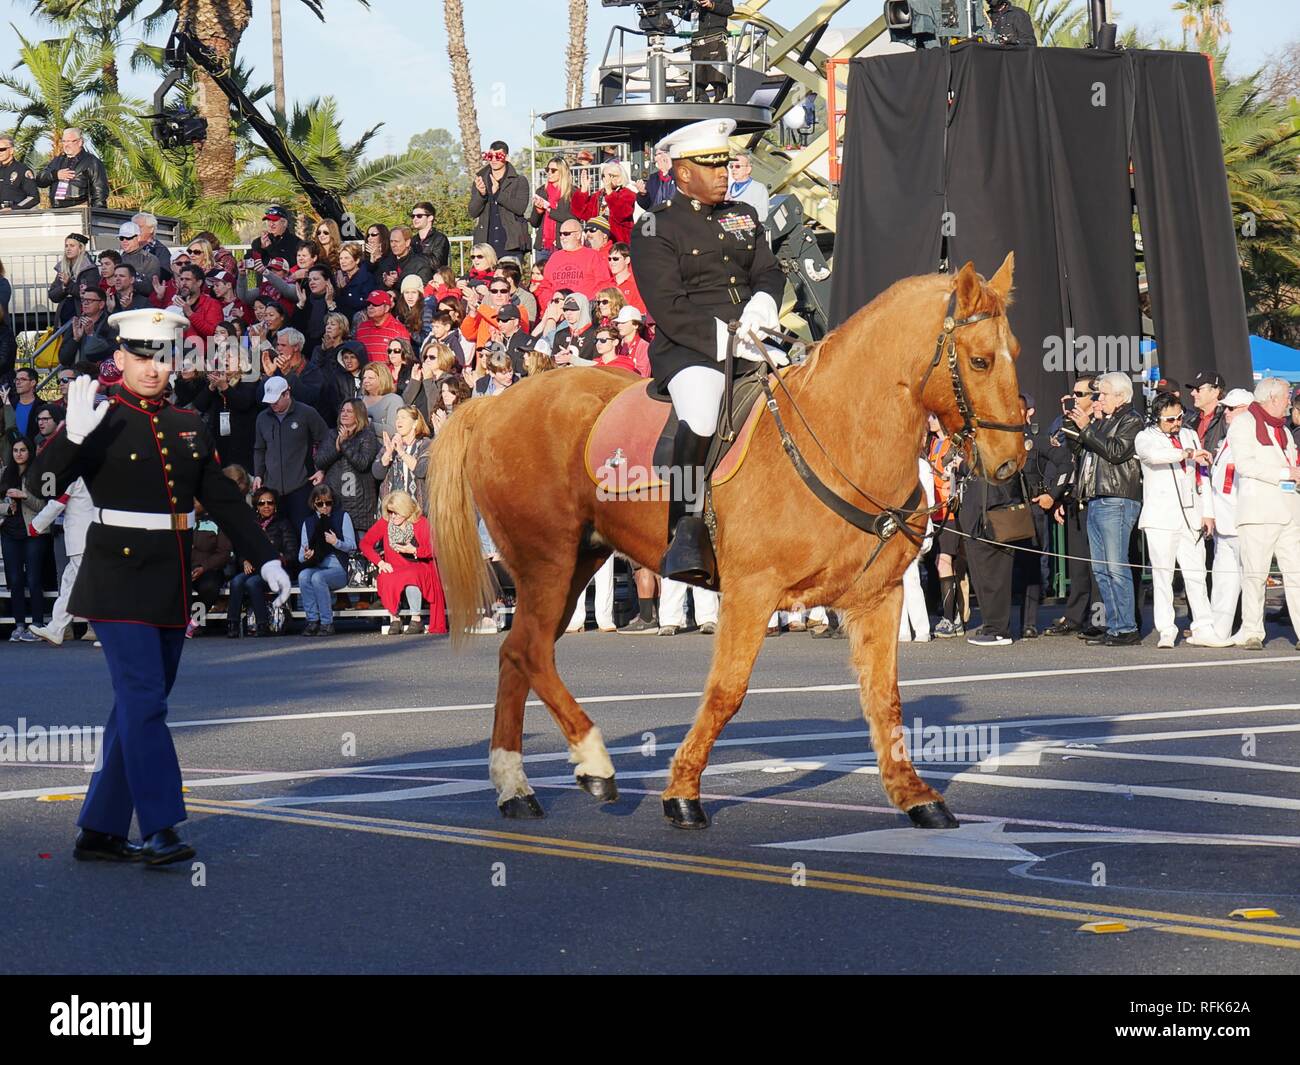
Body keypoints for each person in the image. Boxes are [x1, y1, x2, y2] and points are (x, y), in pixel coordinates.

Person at [27, 308, 290, 863]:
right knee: (145, 700)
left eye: (161, 356)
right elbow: (40, 484)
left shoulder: (188, 425)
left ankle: (99, 828)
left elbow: (221, 499)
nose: (151, 367)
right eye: (140, 355)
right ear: (118, 358)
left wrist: (265, 558)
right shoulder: (100, 417)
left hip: (169, 576)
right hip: (115, 576)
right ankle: (162, 825)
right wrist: (69, 440)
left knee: (137, 705)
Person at [631, 117, 785, 586]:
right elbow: (669, 307)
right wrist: (727, 338)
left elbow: (769, 272)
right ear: (681, 172)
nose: (724, 172)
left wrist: (762, 305)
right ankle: (685, 527)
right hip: (692, 349)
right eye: (711, 164)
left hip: (755, 338)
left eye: (724, 163)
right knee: (700, 415)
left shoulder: (744, 215)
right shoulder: (654, 226)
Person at [1062, 370, 1144, 645]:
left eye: (1104, 394)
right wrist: (1076, 428)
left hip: (1117, 498)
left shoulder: (1131, 420)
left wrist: (1087, 428)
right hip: (1096, 499)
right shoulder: (1103, 421)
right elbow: (1086, 453)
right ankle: (1114, 624)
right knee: (1100, 569)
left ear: (1121, 396)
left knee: (1115, 565)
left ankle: (1127, 627)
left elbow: (1116, 451)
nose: (1099, 399)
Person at [1135, 392, 1216, 648]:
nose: (1176, 423)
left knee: (1197, 575)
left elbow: (1202, 476)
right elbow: (1154, 457)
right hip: (1160, 518)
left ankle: (1203, 626)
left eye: (1179, 417)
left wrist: (1208, 512)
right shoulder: (1145, 437)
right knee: (1163, 576)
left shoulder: (1189, 434)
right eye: (1170, 419)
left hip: (1190, 516)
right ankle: (1166, 629)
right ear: (1156, 417)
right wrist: (1187, 453)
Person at [1228, 377, 1300, 649]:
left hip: (1290, 511)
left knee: (1296, 575)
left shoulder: (1284, 431)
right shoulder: (1243, 424)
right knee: (1255, 576)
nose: (1288, 402)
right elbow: (1246, 466)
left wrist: (1295, 476)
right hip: (1258, 512)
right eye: (1285, 396)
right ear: (1271, 398)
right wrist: (1286, 473)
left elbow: (1290, 465)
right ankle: (1252, 632)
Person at [1041, 378, 1102, 637]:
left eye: (1080, 393)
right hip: (1073, 498)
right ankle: (1076, 615)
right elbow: (1061, 462)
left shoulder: (1100, 423)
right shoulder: (1062, 422)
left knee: (1097, 564)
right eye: (1073, 392)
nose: (1074, 397)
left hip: (1096, 499)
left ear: (1094, 397)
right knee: (1078, 564)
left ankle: (1099, 618)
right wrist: (1058, 497)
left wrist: (1084, 426)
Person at [1200, 388, 1254, 644]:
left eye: (1232, 408)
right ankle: (1219, 629)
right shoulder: (1228, 437)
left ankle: (1250, 627)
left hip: (1242, 520)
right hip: (1224, 521)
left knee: (1249, 579)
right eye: (1226, 408)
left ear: (1247, 410)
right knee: (1223, 578)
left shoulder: (1251, 437)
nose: (1226, 413)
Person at [360, 489, 447, 636]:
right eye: (390, 512)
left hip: (419, 565)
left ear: (405, 511)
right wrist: (380, 563)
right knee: (386, 576)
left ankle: (416, 619)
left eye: (396, 513)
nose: (392, 516)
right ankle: (395, 619)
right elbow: (365, 544)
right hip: (395, 566)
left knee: (412, 576)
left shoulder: (421, 522)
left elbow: (435, 549)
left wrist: (414, 550)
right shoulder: (385, 522)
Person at [252, 375, 328, 537]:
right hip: (272, 489)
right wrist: (258, 474)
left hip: (301, 486)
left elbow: (326, 440)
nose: (273, 404)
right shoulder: (262, 418)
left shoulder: (307, 413)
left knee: (304, 532)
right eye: (270, 401)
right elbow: (259, 448)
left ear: (287, 394)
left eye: (276, 399)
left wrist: (322, 469)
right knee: (276, 535)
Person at [228, 487, 296, 637]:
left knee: (252, 583)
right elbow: (242, 548)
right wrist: (244, 560)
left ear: (275, 505)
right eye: (261, 503)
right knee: (237, 581)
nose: (266, 506)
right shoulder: (252, 525)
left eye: (270, 503)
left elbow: (292, 554)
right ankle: (232, 624)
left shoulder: (283, 524)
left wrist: (277, 558)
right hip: (255, 567)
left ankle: (262, 624)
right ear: (256, 506)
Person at [311, 396, 379, 543]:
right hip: (335, 499)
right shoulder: (332, 434)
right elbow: (320, 462)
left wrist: (345, 444)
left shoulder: (367, 435)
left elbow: (363, 463)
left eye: (350, 411)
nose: (344, 414)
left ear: (359, 414)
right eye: (343, 410)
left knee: (359, 551)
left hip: (359, 503)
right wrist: (336, 448)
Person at [3, 436, 51, 641]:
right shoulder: (5, 473)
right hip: (9, 531)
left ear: (30, 451)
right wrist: (7, 507)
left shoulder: (44, 473)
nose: (19, 454)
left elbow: (47, 507)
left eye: (23, 450)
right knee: (14, 580)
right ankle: (19, 625)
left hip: (34, 531)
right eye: (15, 450)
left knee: (33, 578)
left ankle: (38, 624)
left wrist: (24, 496)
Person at [297, 483, 357, 637]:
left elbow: (352, 546)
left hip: (339, 568)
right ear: (314, 504)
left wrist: (336, 542)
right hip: (317, 564)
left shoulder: (342, 517)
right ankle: (312, 621)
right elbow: (300, 556)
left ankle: (326, 623)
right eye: (320, 503)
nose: (324, 507)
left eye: (328, 503)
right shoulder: (308, 522)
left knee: (318, 578)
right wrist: (306, 555)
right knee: (303, 576)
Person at [469, 140, 531, 261]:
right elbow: (473, 212)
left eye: (498, 156)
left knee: (509, 278)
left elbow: (520, 208)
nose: (493, 160)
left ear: (506, 157)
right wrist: (482, 194)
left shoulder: (519, 180)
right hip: (486, 243)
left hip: (511, 243)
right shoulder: (480, 181)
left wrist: (498, 193)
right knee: (486, 279)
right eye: (489, 156)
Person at [529, 157, 591, 262]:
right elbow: (534, 223)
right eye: (547, 170)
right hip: (543, 247)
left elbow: (574, 220)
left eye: (553, 170)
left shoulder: (572, 192)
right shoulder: (541, 191)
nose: (549, 173)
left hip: (563, 244)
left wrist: (549, 210)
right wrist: (538, 211)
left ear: (562, 171)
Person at [186, 500, 232, 638]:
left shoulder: (217, 522)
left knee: (209, 587)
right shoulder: (181, 520)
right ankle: (176, 623)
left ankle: (194, 622)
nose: (193, 503)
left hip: (209, 569)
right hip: (184, 568)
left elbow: (224, 553)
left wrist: (204, 567)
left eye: (197, 501)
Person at [372, 405, 432, 509]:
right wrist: (387, 454)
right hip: (392, 511)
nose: (398, 421)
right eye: (397, 418)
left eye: (403, 418)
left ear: (415, 423)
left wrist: (401, 452)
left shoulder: (425, 444)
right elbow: (377, 473)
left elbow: (421, 471)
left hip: (416, 509)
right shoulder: (391, 443)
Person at [35, 127, 108, 208]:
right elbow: (39, 181)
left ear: (80, 142)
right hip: (56, 209)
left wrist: (97, 215)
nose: (66, 145)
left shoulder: (92, 162)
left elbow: (100, 191)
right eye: (64, 141)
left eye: (69, 141)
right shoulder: (57, 161)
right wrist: (55, 175)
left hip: (80, 209)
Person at [690, 0, 734, 104]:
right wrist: (680, 10)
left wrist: (711, 5)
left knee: (718, 79)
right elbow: (689, 16)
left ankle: (720, 104)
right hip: (697, 40)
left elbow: (729, 10)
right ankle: (700, 103)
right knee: (697, 80)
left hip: (715, 38)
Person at [355, 290, 410, 363]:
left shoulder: (399, 330)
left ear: (387, 308)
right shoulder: (362, 328)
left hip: (388, 374)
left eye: (375, 304)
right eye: (368, 304)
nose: (370, 307)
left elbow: (405, 360)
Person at [589, 162, 636, 244]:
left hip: (619, 240)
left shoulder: (627, 194)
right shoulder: (600, 194)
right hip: (600, 239)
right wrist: (583, 191)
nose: (606, 179)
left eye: (611, 176)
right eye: (604, 176)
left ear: (620, 178)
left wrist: (610, 193)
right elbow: (584, 213)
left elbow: (621, 214)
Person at [1184, 371, 1228, 454]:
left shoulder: (1227, 418)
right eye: (1193, 389)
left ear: (1215, 392)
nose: (1192, 393)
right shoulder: (1190, 421)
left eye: (1198, 389)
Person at [360, 362, 404, 439]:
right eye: (364, 378)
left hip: (382, 448)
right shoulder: (359, 399)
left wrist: (365, 424)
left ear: (382, 379)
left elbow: (393, 431)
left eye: (370, 378)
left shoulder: (394, 400)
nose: (366, 381)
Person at [726, 152, 769, 224]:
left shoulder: (759, 188)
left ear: (748, 169)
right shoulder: (728, 188)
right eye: (731, 166)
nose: (733, 169)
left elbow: (763, 215)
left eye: (737, 166)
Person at [0, 135, 39, 210]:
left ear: (11, 150)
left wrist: (14, 208)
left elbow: (34, 197)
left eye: (2, 149)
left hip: (16, 216)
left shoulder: (22, 170)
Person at [409, 202, 451, 270]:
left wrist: (413, 256)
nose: (415, 219)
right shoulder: (413, 240)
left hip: (434, 278)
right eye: (413, 216)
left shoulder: (440, 238)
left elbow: (437, 263)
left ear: (430, 218)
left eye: (419, 216)